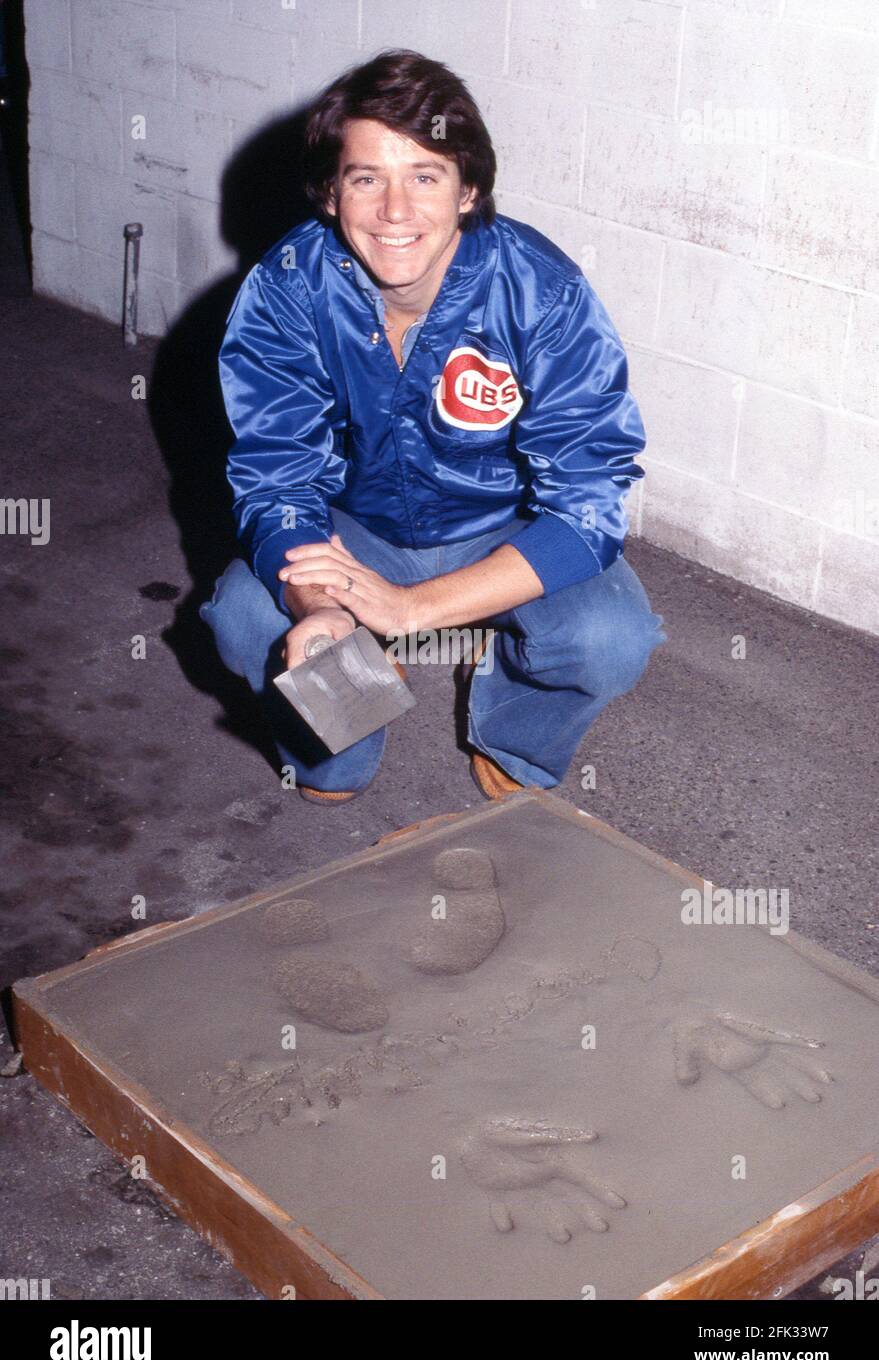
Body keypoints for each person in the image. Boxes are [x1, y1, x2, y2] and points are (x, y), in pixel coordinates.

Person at [202, 49, 666, 805]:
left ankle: (510, 732)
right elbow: (276, 479)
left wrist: (412, 610)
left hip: (501, 526)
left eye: (424, 176)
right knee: (244, 617)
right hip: (357, 529)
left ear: (467, 190)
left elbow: (589, 503)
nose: (394, 211)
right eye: (365, 179)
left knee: (608, 638)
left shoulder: (539, 291)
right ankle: (340, 748)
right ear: (329, 193)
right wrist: (321, 608)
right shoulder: (286, 289)